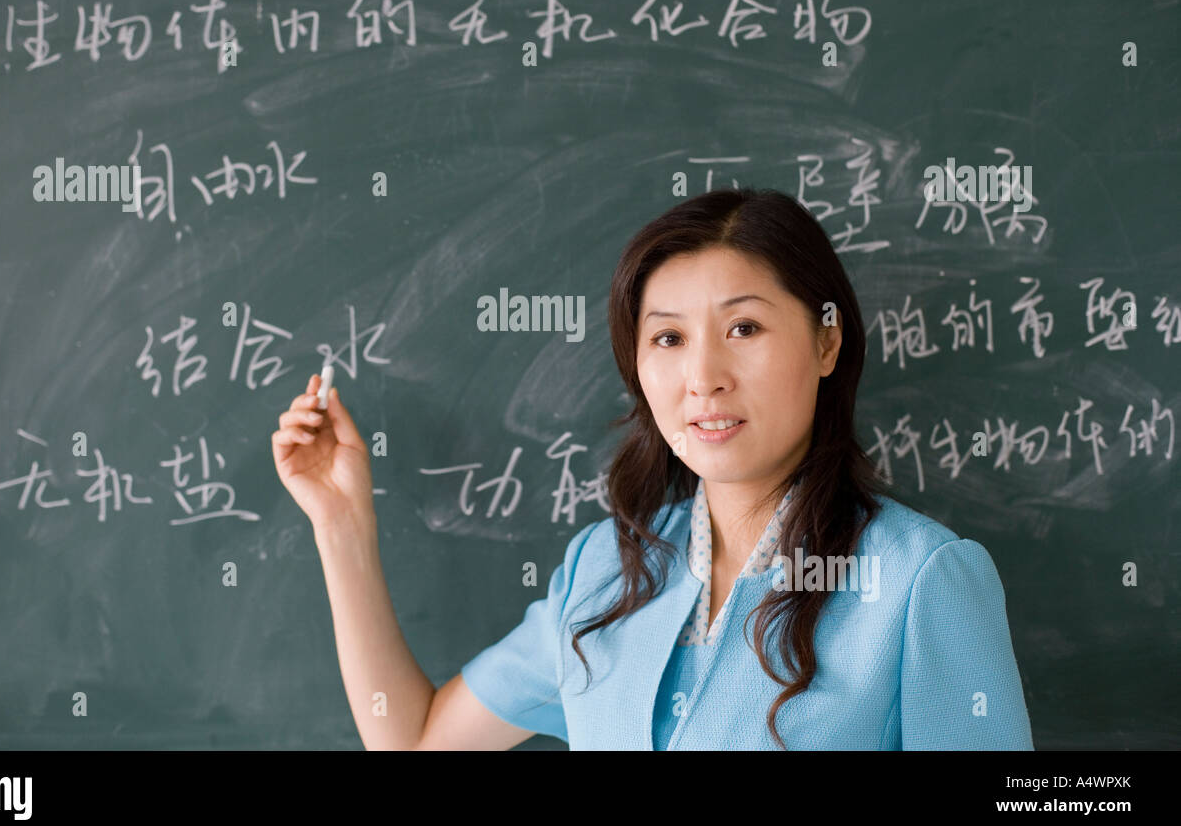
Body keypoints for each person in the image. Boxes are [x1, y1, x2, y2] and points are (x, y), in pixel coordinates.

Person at [272, 187, 1034, 750]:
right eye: (667, 339)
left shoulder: (919, 579)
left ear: (827, 344)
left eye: (744, 326)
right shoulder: (604, 569)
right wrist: (342, 525)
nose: (704, 376)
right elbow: (412, 742)